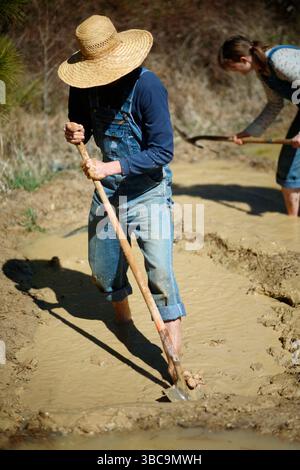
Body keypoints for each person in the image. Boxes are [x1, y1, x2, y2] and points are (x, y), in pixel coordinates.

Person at [57, 15, 187, 385]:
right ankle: (125, 324)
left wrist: (110, 165)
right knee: (104, 268)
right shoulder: (83, 84)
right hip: (108, 190)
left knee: (159, 271)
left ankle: (174, 363)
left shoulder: (148, 87)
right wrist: (75, 131)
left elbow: (162, 152)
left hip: (148, 188)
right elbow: (78, 122)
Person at [218, 35, 300, 216]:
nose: (237, 73)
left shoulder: (279, 60)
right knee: (289, 172)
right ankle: (291, 227)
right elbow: (274, 105)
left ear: (243, 59)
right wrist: (248, 133)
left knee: (291, 169)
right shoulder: (263, 71)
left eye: (234, 68)